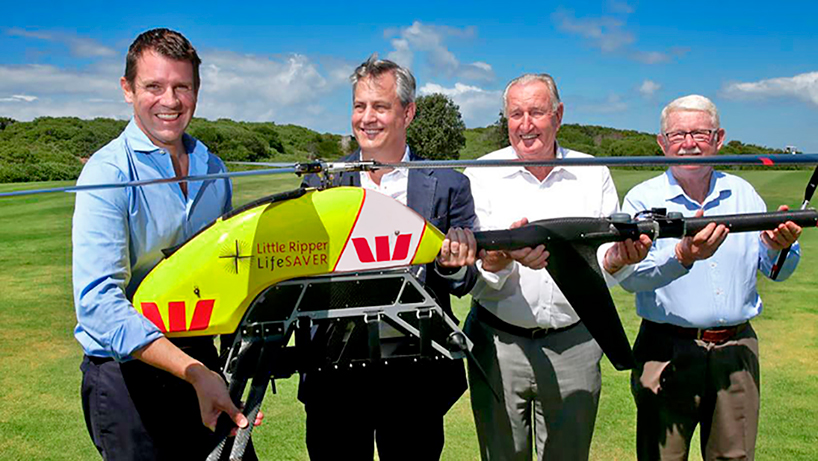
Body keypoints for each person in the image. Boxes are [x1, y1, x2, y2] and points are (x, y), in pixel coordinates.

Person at [72, 28, 259, 460]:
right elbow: (98, 304)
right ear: (127, 89)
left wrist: (229, 368)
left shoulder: (214, 169)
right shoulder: (108, 173)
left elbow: (222, 274)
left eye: (182, 86)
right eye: (153, 86)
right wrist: (194, 373)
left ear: (197, 90)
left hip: (199, 358)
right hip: (125, 375)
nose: (170, 101)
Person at [298, 55, 478, 460]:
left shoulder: (450, 185)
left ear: (408, 112)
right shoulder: (321, 183)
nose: (367, 118)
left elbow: (465, 282)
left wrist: (452, 265)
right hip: (334, 379)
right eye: (359, 106)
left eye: (380, 106)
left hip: (415, 380)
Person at [463, 73, 651, 460]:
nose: (526, 124)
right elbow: (475, 268)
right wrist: (500, 255)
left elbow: (603, 256)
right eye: (516, 114)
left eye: (536, 112)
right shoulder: (479, 173)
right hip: (498, 344)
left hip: (575, 344)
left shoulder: (592, 171)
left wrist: (620, 257)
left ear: (558, 115)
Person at [620, 94, 802, 460]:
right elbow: (631, 277)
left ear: (719, 139)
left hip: (735, 350)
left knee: (733, 457)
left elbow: (774, 269)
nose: (689, 144)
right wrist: (681, 256)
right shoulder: (641, 199)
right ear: (662, 143)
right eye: (678, 135)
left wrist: (780, 246)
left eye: (700, 134)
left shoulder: (745, 194)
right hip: (665, 350)